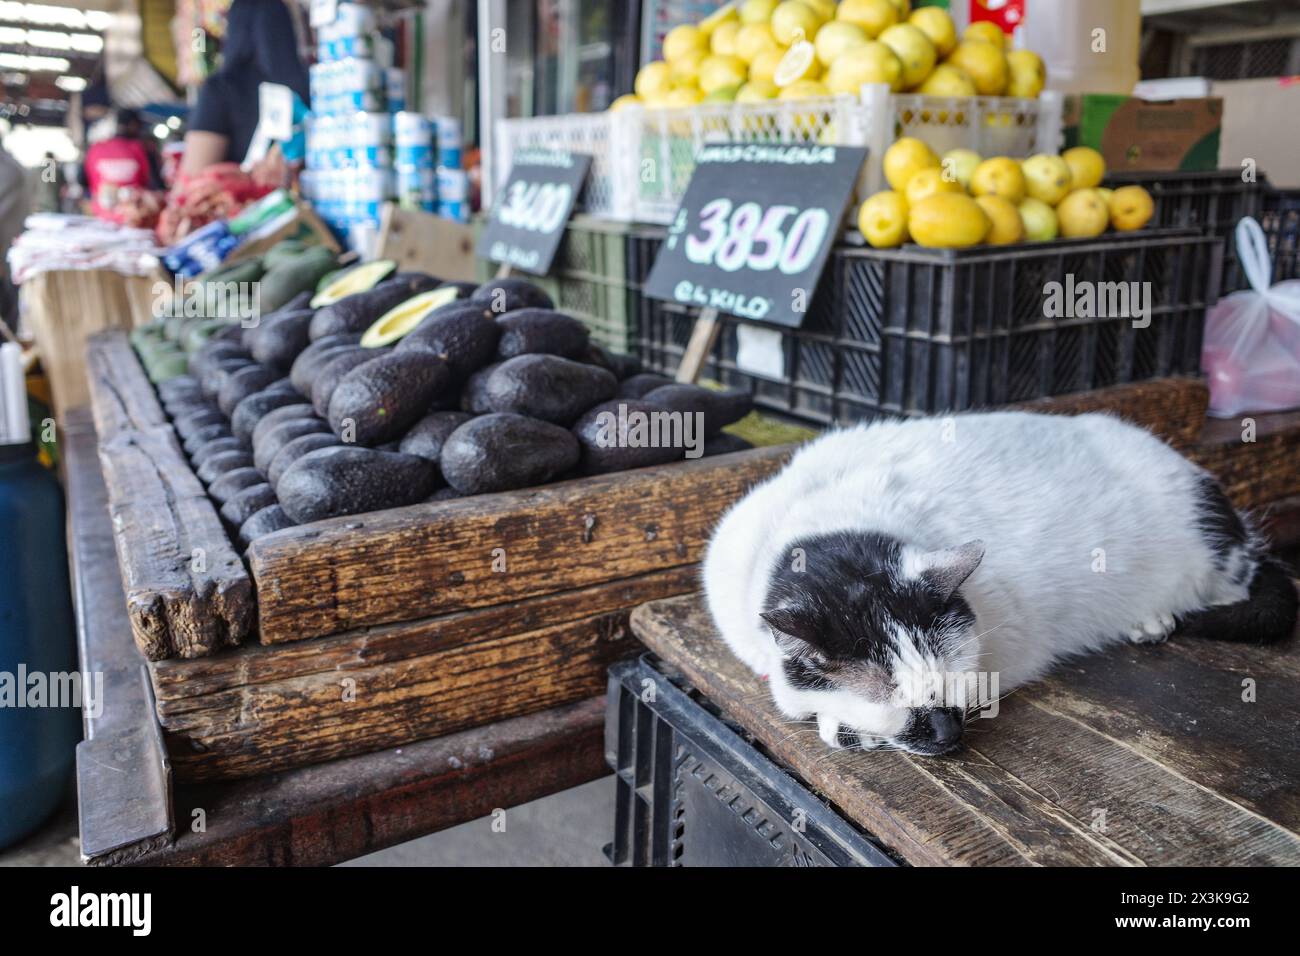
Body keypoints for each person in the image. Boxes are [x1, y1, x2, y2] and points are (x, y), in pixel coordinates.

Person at [182, 0, 310, 176]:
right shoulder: (308, 87)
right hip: (304, 200)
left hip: (242, 201)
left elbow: (194, 175)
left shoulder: (221, 88)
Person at [82, 109, 161, 219]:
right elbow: (156, 187)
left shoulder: (94, 148)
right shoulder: (143, 149)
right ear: (134, 125)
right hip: (136, 218)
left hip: (100, 217)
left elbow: (82, 182)